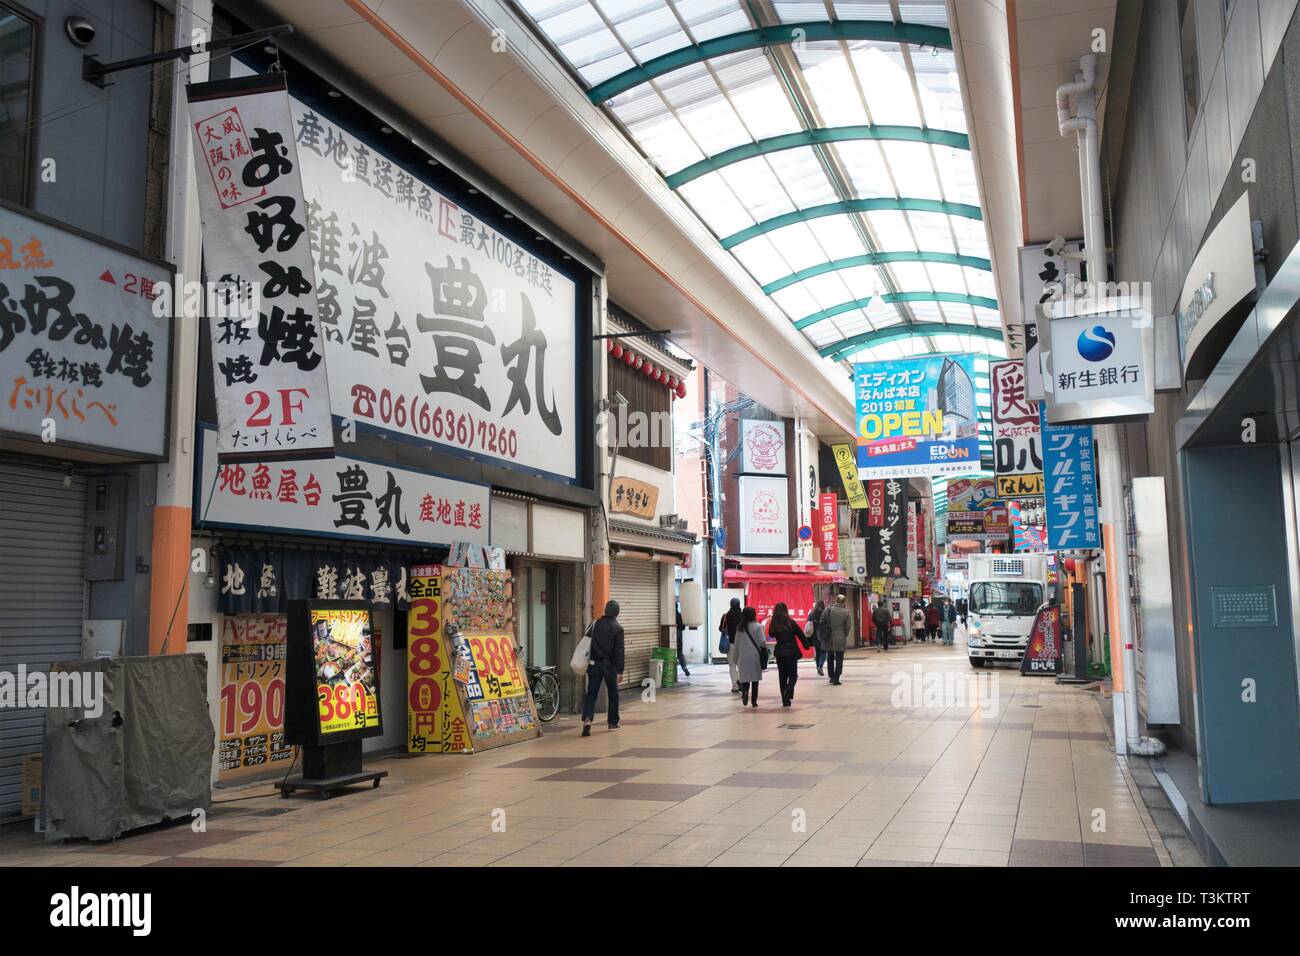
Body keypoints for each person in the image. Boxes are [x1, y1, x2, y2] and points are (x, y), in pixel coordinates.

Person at [581, 600, 624, 736]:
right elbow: (619, 651)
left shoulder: (595, 624)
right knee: (613, 694)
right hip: (609, 667)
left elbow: (586, 641)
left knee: (591, 693)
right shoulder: (618, 628)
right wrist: (620, 670)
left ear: (605, 611)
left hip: (594, 664)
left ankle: (587, 719)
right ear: (617, 613)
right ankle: (612, 723)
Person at [768, 602, 805, 707]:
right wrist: (806, 645)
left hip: (780, 652)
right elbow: (800, 634)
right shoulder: (791, 622)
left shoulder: (774, 623)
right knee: (793, 675)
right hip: (791, 652)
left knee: (782, 676)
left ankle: (785, 701)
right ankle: (788, 691)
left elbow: (771, 634)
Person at [735, 606, 767, 707]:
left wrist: (735, 658)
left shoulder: (739, 628)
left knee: (745, 677)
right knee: (755, 679)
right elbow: (762, 642)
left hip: (743, 656)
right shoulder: (758, 626)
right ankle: (754, 701)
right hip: (754, 656)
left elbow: (736, 644)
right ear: (754, 615)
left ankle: (745, 691)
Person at [824, 593, 852, 685]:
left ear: (835, 600)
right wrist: (845, 634)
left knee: (830, 657)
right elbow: (848, 626)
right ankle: (837, 678)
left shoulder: (828, 610)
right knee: (839, 658)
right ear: (844, 602)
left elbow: (821, 621)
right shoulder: (846, 612)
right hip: (840, 637)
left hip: (829, 637)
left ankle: (831, 677)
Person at [720, 597, 743, 692]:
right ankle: (742, 683)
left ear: (730, 605)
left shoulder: (726, 616)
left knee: (732, 665)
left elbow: (721, 628)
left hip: (731, 644)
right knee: (741, 665)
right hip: (742, 644)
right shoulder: (743, 616)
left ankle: (735, 686)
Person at [807, 599, 827, 675]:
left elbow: (808, 623)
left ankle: (818, 667)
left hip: (814, 636)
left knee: (818, 653)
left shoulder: (812, 613)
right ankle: (820, 666)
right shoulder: (825, 613)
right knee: (824, 652)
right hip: (823, 635)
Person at [675, 602, 691, 678]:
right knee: (680, 654)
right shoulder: (679, 615)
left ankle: (673, 671)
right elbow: (683, 628)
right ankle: (685, 669)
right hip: (678, 638)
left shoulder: (669, 615)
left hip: (669, 638)